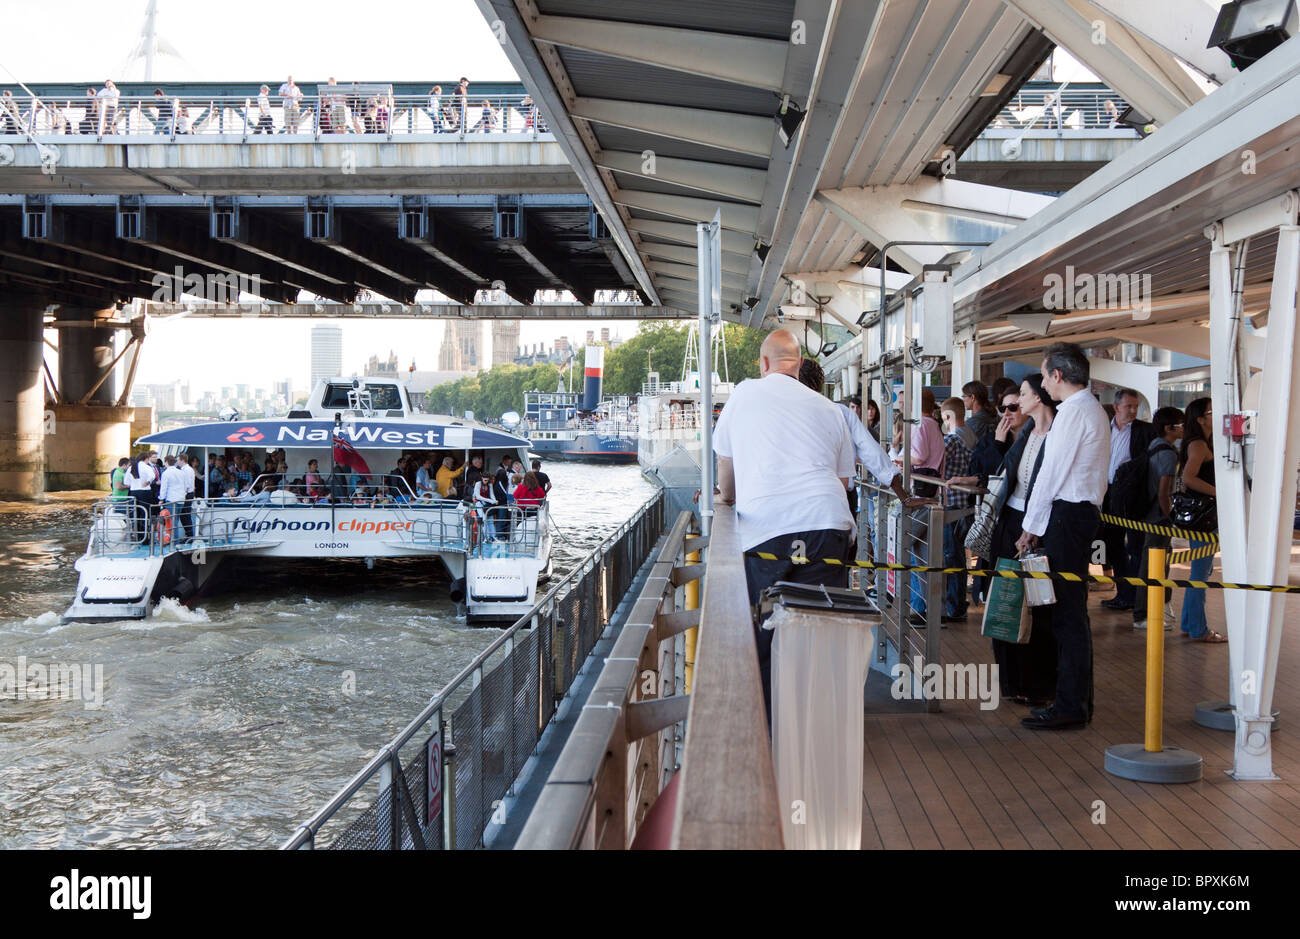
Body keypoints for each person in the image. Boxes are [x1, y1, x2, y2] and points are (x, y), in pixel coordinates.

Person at [713, 330, 860, 721]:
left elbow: (725, 473)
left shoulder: (743, 395)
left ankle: (768, 730)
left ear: (764, 364)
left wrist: (725, 499)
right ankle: (816, 724)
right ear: (798, 365)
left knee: (764, 633)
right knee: (818, 630)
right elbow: (843, 482)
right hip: (828, 527)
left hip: (767, 531)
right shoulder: (829, 409)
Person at [1016, 342, 1110, 730]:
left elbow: (1051, 475)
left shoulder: (1073, 413)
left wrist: (1030, 527)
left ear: (1057, 375)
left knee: (1067, 615)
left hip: (1068, 516)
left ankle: (1070, 706)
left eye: (1043, 375)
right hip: (1078, 515)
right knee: (1071, 613)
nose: (1042, 383)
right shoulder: (1091, 409)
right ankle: (1077, 701)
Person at [983, 376, 1058, 704]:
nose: (1012, 405)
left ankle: (1038, 684)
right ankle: (1012, 682)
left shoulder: (1056, 435)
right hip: (1009, 523)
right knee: (1005, 600)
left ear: (1037, 400)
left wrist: (1034, 528)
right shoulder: (1025, 435)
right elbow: (999, 475)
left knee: (1038, 605)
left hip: (1038, 526)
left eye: (1021, 397)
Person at [1100, 388, 1154, 611]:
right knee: (1113, 545)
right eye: (1128, 406)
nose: (1133, 411)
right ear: (1116, 407)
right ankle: (1124, 593)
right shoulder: (1103, 429)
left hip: (1134, 496)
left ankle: (1135, 596)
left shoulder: (1146, 431)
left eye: (1136, 406)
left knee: (1135, 546)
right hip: (1107, 492)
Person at [1131, 406, 1184, 631]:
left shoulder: (1155, 446)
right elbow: (1164, 491)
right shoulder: (1169, 453)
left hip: (1148, 514)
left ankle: (1153, 610)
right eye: (1181, 425)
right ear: (1169, 427)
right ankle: (1144, 615)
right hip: (1158, 518)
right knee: (1153, 566)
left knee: (1153, 563)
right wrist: (1170, 516)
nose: (1184, 429)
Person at [1177, 397, 1224, 642]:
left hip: (1203, 519)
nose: (1217, 414)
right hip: (1204, 520)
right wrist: (1220, 493)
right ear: (1200, 419)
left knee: (1200, 571)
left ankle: (1189, 623)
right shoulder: (1199, 445)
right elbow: (1188, 478)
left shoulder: (1204, 443)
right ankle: (1198, 628)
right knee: (1200, 574)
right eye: (1212, 411)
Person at [939, 398, 977, 621]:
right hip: (967, 503)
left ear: (947, 417)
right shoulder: (972, 436)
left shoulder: (951, 440)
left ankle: (955, 606)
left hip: (952, 501)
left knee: (952, 555)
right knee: (958, 555)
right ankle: (957, 604)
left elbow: (936, 464)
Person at [125, 452, 157, 541]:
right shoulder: (147, 467)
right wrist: (147, 482)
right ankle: (146, 537)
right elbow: (152, 476)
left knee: (136, 514)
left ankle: (138, 536)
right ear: (146, 458)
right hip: (145, 492)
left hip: (133, 493)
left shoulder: (131, 468)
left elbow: (126, 482)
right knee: (145, 514)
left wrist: (134, 483)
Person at [158, 454, 189, 541]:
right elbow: (185, 486)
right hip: (181, 499)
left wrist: (161, 499)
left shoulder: (166, 473)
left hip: (171, 499)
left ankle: (174, 541)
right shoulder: (181, 472)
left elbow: (164, 488)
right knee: (176, 520)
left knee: (172, 521)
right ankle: (175, 540)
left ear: (166, 462)